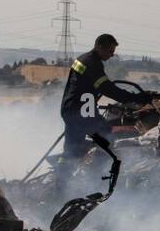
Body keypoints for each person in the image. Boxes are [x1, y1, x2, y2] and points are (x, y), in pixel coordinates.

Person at [58, 33, 154, 172]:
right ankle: (97, 175)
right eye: (110, 51)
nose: (112, 55)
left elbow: (86, 87)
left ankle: (61, 184)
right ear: (99, 47)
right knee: (106, 136)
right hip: (83, 111)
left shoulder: (82, 59)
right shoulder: (93, 64)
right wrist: (138, 98)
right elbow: (108, 89)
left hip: (70, 109)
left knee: (71, 149)